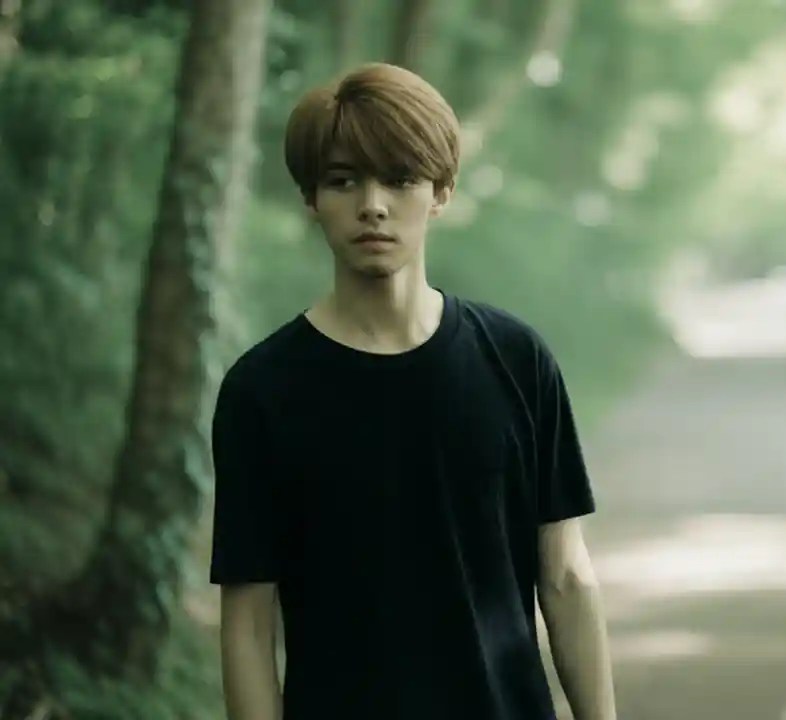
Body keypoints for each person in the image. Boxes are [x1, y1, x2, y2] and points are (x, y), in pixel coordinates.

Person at [208, 62, 616, 720]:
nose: (373, 204)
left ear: (441, 192)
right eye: (344, 181)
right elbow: (250, 623)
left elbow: (565, 577)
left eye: (399, 179)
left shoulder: (515, 360)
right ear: (312, 197)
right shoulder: (263, 391)